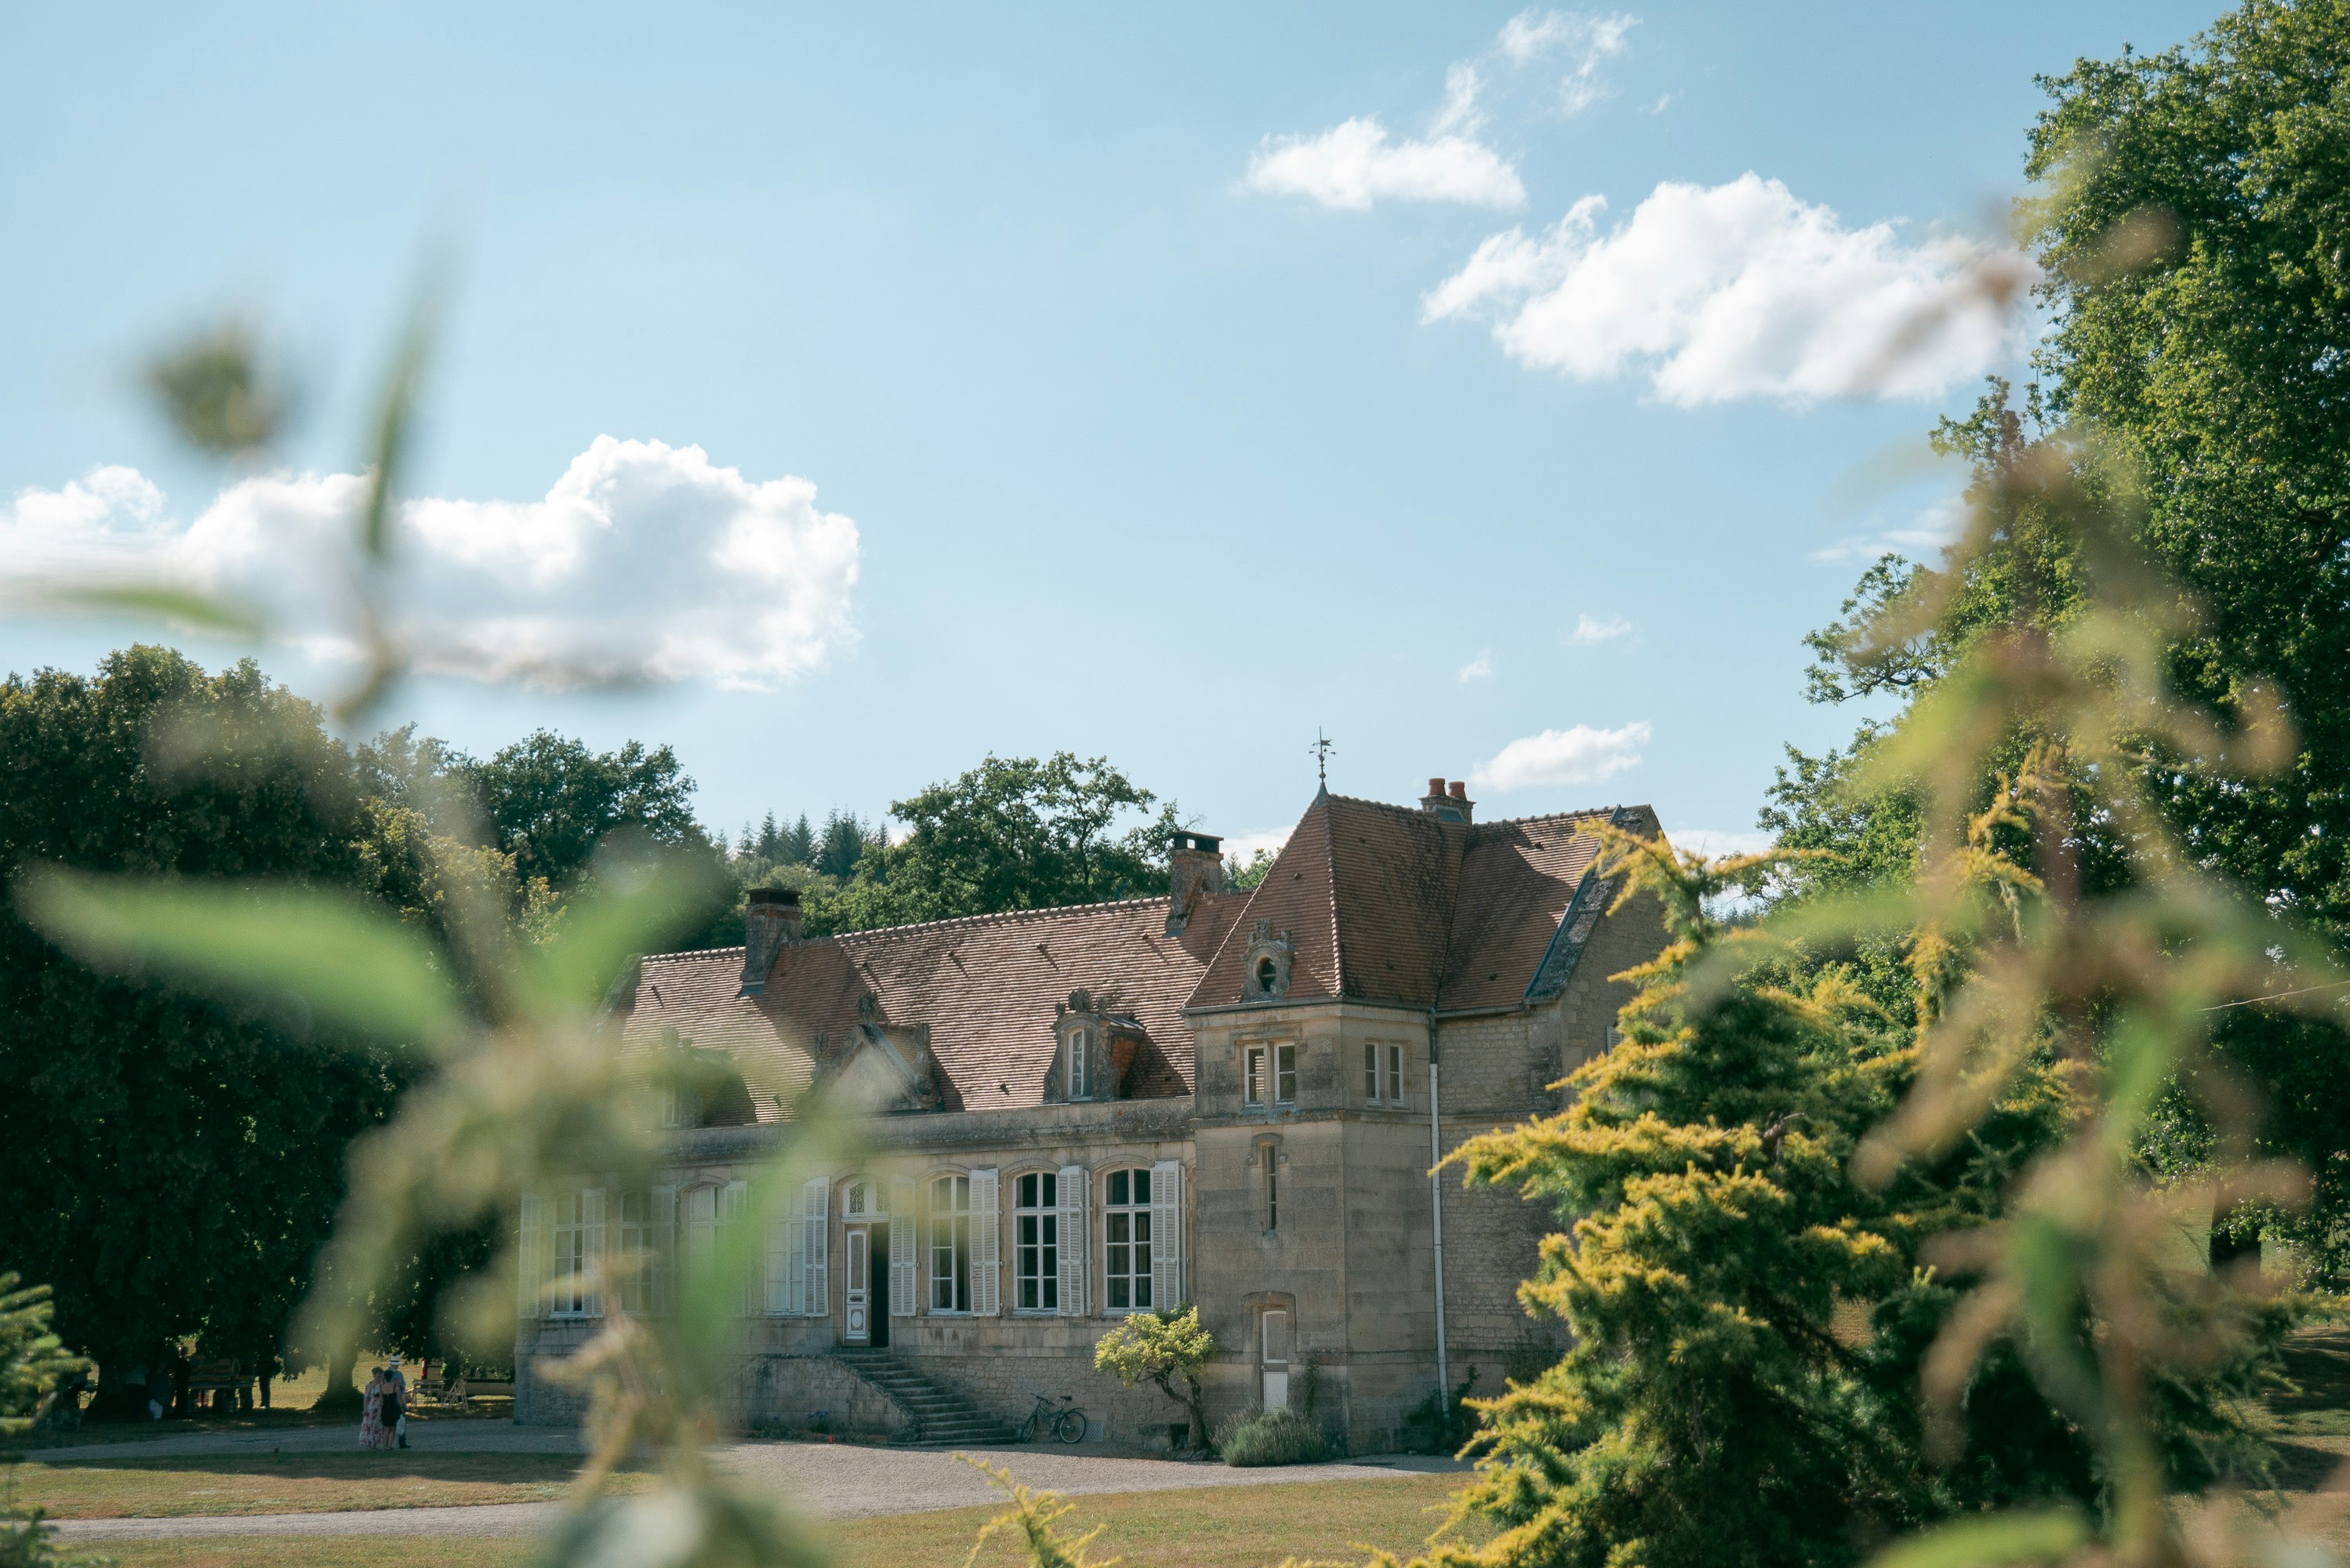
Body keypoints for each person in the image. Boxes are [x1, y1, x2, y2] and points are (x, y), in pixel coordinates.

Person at [358, 1367, 387, 1451]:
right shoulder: (370, 1385)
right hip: (372, 1407)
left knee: (380, 1425)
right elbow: (366, 1397)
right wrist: (365, 1409)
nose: (380, 1375)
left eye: (381, 1374)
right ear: (374, 1375)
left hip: (382, 1406)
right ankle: (371, 1443)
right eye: (378, 1374)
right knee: (371, 1425)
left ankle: (381, 1442)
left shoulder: (383, 1383)